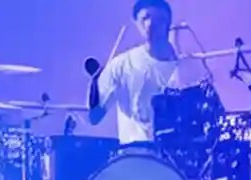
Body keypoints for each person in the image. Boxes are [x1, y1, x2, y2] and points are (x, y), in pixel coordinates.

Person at [87, 0, 209, 145]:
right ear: (136, 22)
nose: (151, 24)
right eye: (145, 18)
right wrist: (95, 82)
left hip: (178, 161)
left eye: (158, 19)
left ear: (168, 23)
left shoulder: (190, 68)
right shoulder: (121, 65)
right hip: (134, 156)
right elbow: (94, 117)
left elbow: (204, 121)